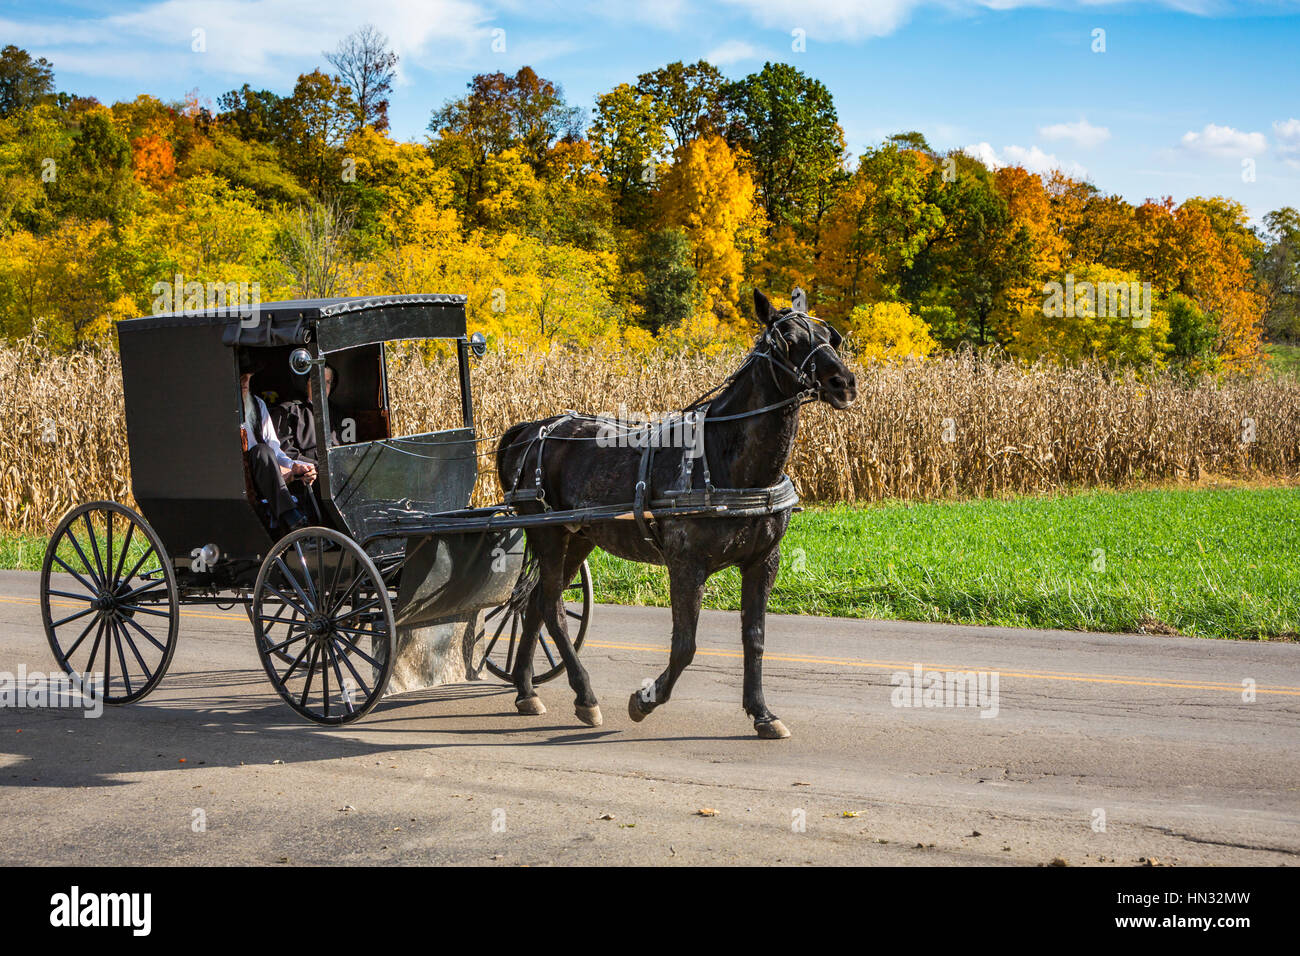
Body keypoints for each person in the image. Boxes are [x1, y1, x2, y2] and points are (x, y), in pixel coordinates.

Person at [238, 350, 314, 532]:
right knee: (261, 451)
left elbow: (275, 449)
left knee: (306, 469)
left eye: (248, 378)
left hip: (263, 474)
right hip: (236, 475)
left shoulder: (258, 404)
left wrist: (294, 465)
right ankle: (291, 515)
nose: (245, 383)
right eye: (241, 378)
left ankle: (310, 527)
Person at [271, 362, 345, 466]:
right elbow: (285, 453)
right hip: (304, 474)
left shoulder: (337, 413)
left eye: (327, 382)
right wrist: (316, 466)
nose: (322, 387)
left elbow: (347, 450)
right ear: (306, 384)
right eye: (316, 381)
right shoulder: (288, 411)